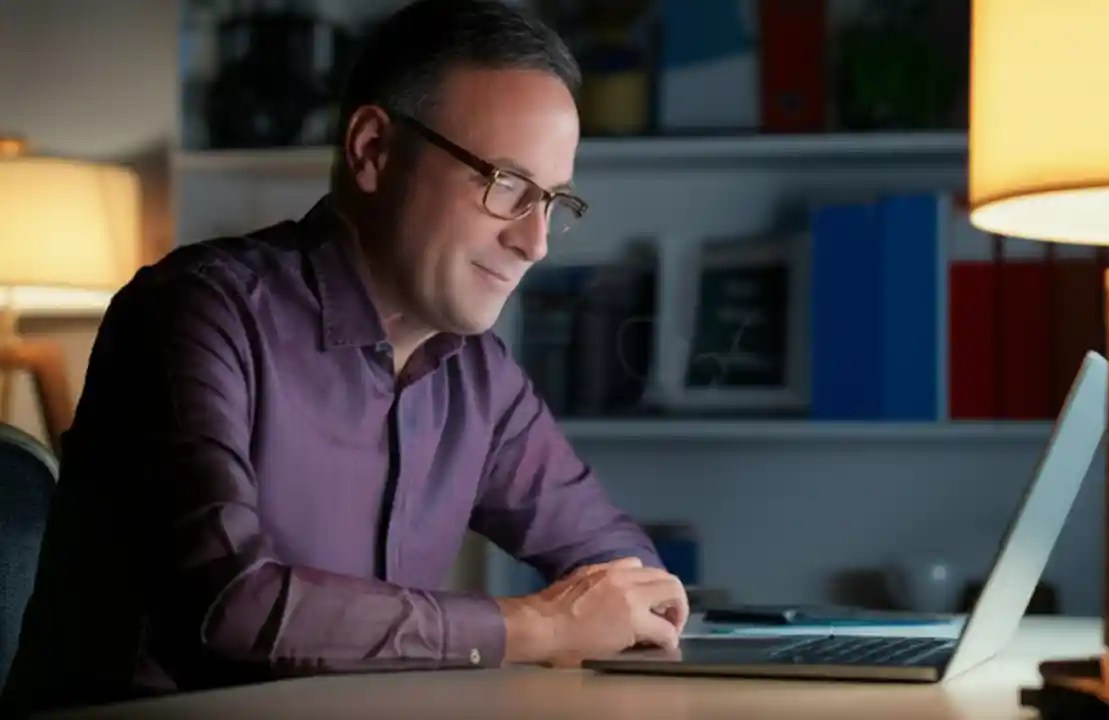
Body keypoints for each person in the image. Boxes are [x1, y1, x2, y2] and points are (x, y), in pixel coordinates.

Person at [1, 0, 688, 712]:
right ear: (372, 150)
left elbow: (624, 573)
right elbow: (231, 608)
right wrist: (538, 626)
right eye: (505, 184)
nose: (534, 242)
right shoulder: (194, 312)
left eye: (553, 201)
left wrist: (619, 608)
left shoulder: (480, 377)